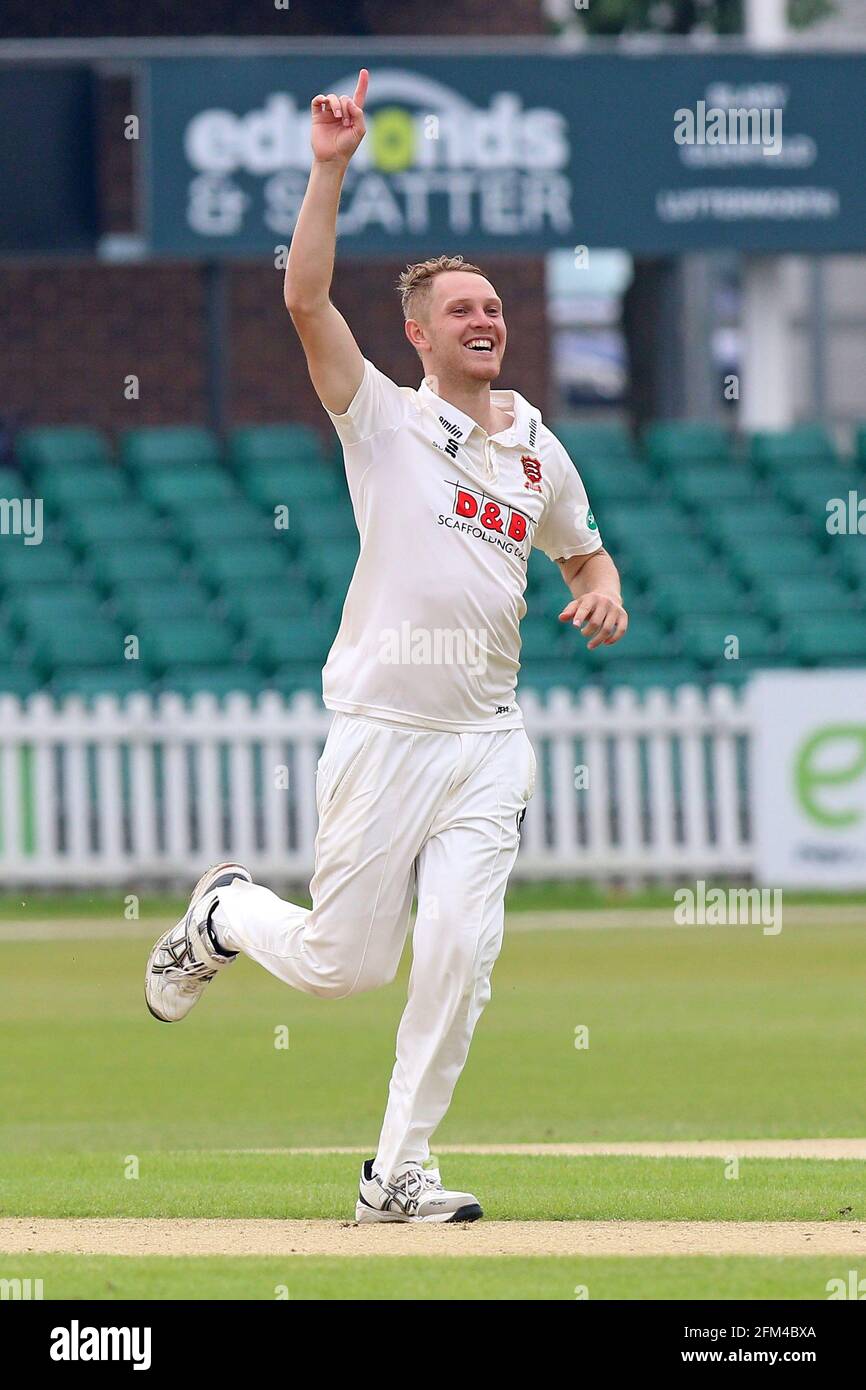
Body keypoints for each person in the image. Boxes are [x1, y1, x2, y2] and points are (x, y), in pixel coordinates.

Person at [144, 69, 628, 1225]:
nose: (484, 320)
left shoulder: (536, 450)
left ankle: (394, 1174)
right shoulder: (384, 419)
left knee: (459, 955)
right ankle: (223, 916)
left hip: (485, 746)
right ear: (417, 336)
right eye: (460, 310)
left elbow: (583, 551)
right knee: (341, 965)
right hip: (382, 732)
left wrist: (601, 587)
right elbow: (306, 303)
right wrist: (328, 169)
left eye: (494, 306)